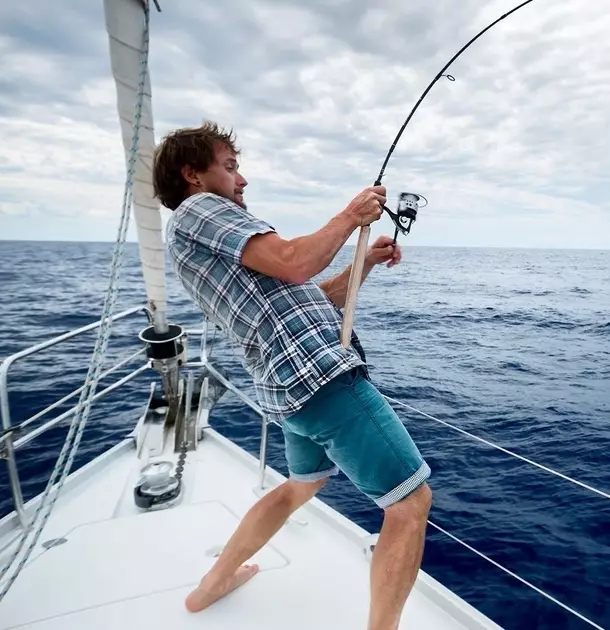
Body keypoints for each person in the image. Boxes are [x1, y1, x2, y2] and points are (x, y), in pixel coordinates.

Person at [154, 120, 431, 630]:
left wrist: (363, 261)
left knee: (298, 487)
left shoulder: (205, 238)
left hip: (288, 391)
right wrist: (351, 215)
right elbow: (293, 261)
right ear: (192, 175)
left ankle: (212, 586)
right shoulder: (200, 210)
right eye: (230, 167)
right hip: (321, 382)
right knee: (411, 502)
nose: (242, 180)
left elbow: (312, 297)